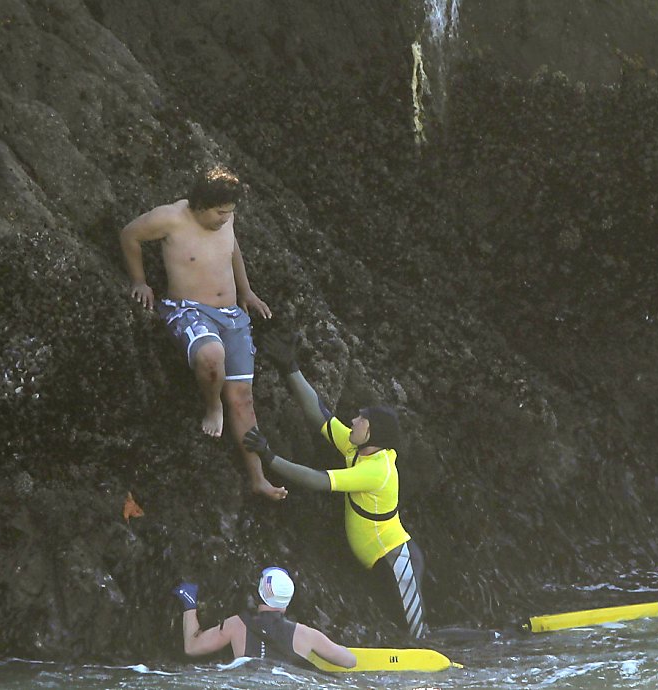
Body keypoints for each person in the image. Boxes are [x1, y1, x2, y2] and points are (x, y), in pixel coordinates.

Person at [243, 333, 429, 639]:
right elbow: (320, 416)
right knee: (399, 630)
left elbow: (317, 480)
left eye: (361, 420)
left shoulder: (377, 469)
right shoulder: (357, 448)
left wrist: (269, 457)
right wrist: (291, 368)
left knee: (420, 638)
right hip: (378, 565)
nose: (354, 420)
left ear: (373, 435)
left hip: (397, 562)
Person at [120, 165, 286, 501]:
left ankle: (258, 478)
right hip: (188, 309)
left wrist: (247, 291)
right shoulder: (170, 218)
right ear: (200, 203)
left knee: (244, 399)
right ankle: (213, 406)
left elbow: (233, 248)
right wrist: (140, 281)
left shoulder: (227, 219)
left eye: (230, 213)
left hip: (231, 315)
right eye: (220, 213)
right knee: (211, 357)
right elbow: (129, 235)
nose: (225, 219)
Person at [172, 567, 356, 668]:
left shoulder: (237, 625)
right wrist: (332, 647)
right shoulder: (306, 635)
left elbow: (192, 647)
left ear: (258, 593)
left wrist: (189, 604)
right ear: (287, 601)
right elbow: (349, 662)